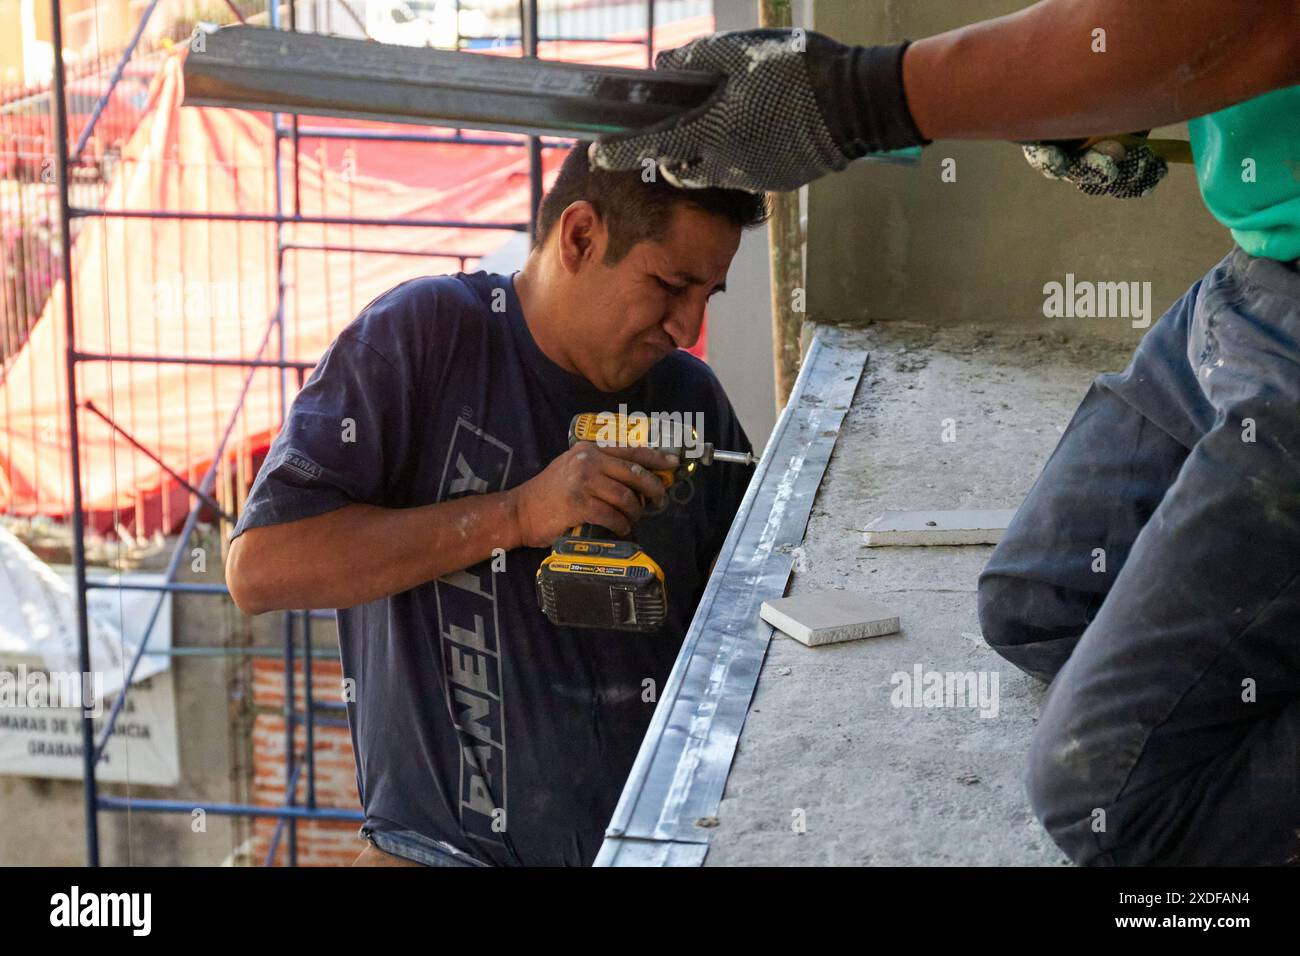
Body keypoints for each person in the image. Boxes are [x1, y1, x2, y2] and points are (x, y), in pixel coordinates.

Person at [591, 2, 1300, 865]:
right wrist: (1123, 86)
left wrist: (858, 97)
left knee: (1108, 797)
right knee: (1038, 606)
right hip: (1256, 276)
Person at [224, 144, 767, 866]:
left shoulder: (690, 400)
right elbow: (261, 569)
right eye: (671, 287)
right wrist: (514, 515)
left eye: (708, 297)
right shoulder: (427, 337)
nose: (685, 325)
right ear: (580, 237)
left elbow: (755, 629)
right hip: (437, 853)